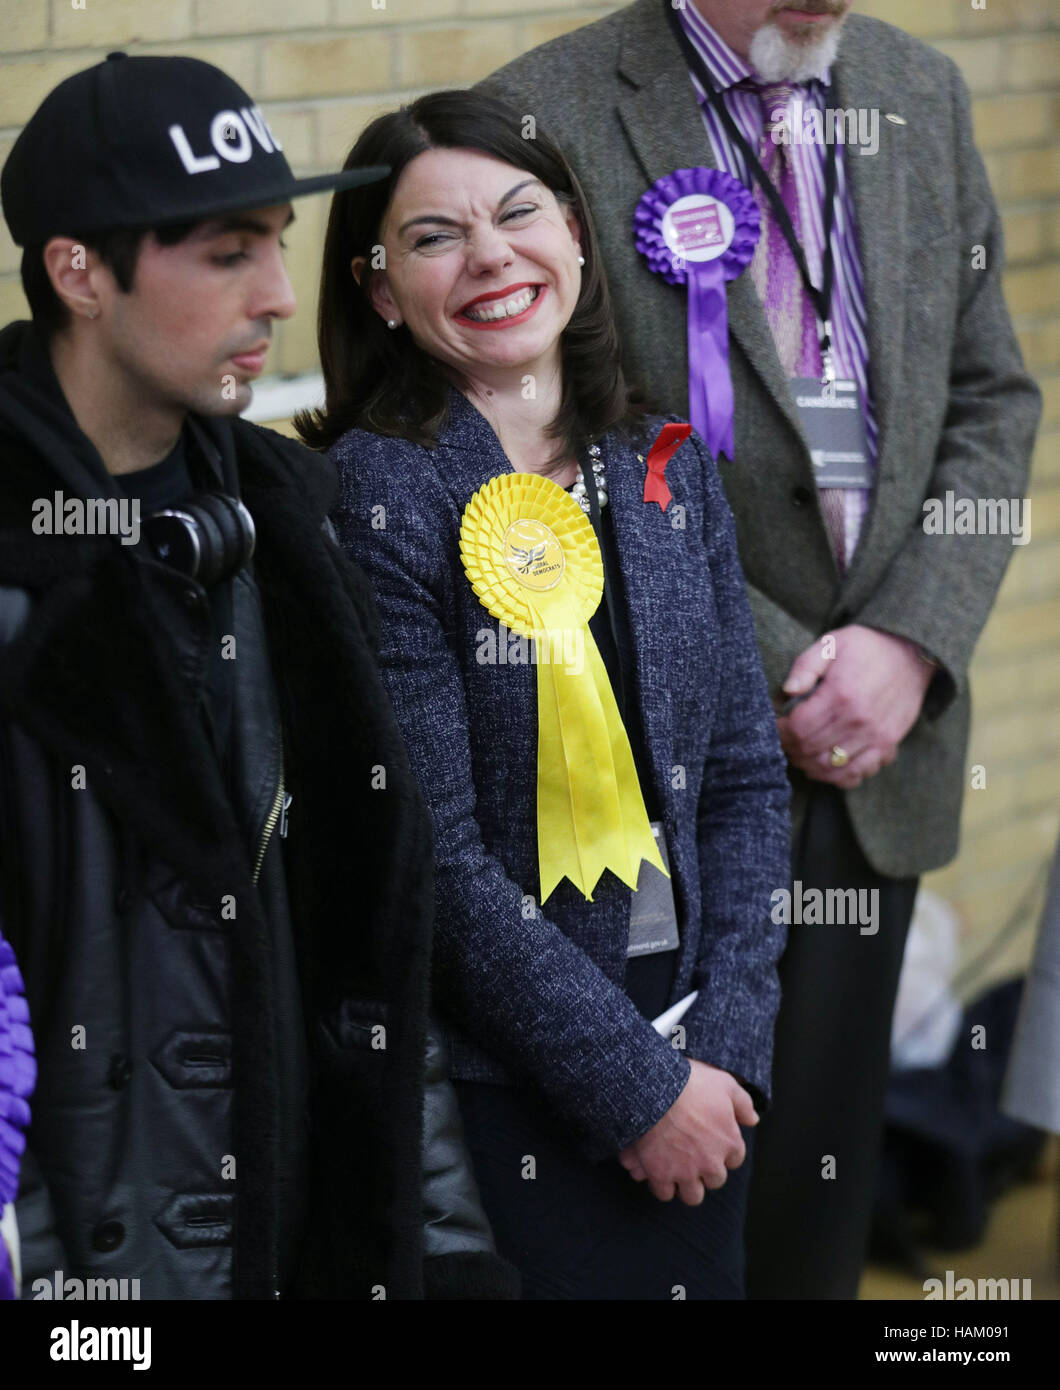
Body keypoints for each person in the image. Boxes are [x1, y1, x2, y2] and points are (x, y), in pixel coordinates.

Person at [477, 0, 1043, 1298]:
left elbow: (992, 392)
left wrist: (907, 640)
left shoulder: (922, 88)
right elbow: (550, 438)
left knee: (816, 1214)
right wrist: (783, 660)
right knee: (668, 1210)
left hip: (875, 747)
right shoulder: (548, 109)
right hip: (651, 768)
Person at [0, 53, 518, 1301]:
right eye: (227, 253)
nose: (281, 296)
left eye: (279, 244)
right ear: (80, 271)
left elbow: (374, 943)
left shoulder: (291, 523)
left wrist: (440, 1249)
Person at [302, 88, 791, 1300]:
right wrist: (634, 1088)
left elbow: (742, 778)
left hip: (699, 1060)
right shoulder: (374, 500)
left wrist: (723, 1048)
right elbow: (436, 857)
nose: (490, 257)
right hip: (504, 1082)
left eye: (519, 212)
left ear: (575, 233)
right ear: (378, 292)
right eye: (433, 237)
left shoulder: (664, 462)